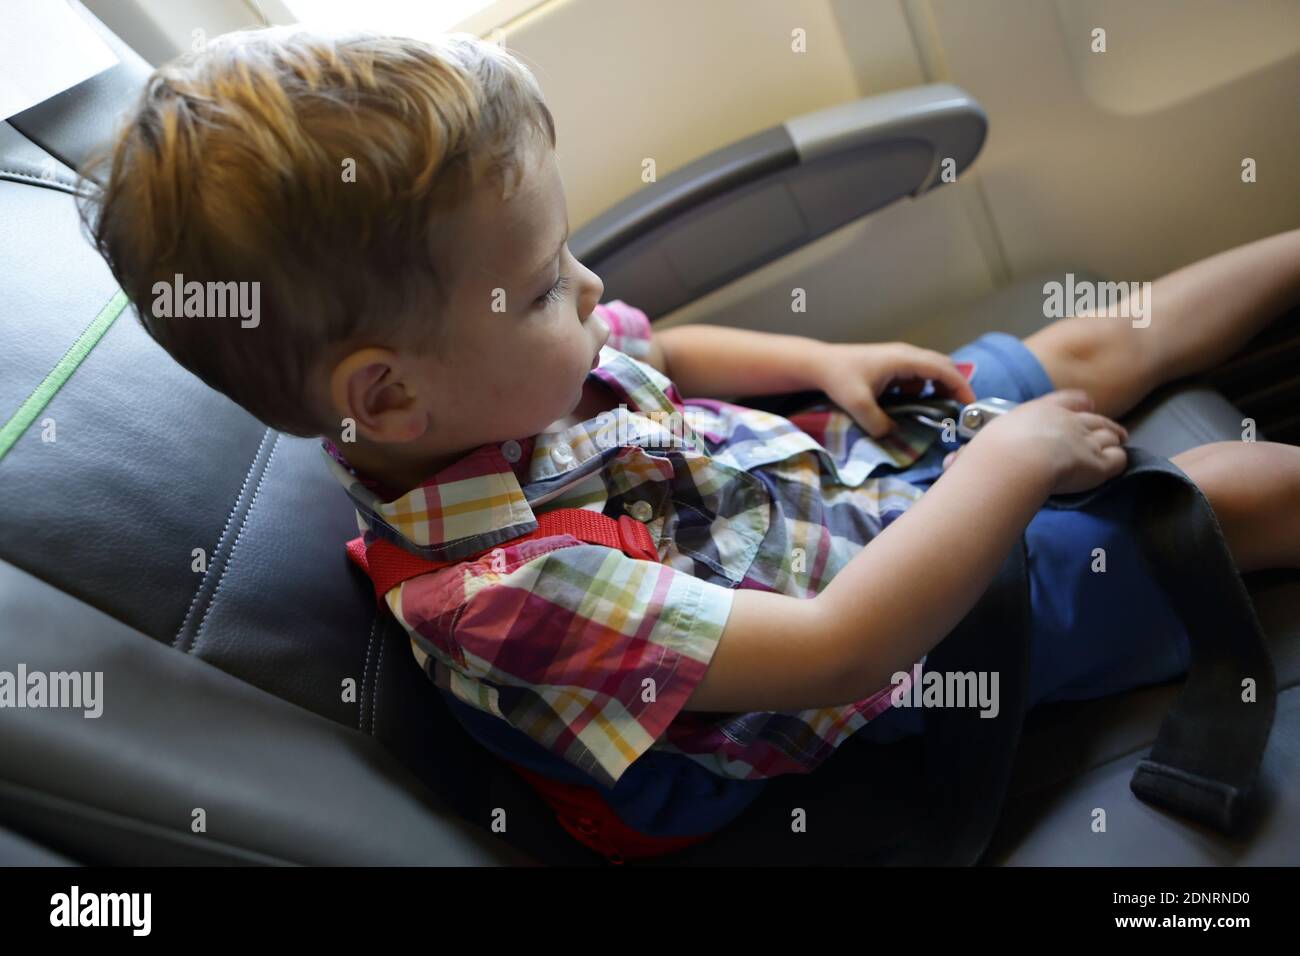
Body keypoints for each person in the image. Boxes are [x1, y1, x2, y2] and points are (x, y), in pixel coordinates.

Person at [78, 25, 1300, 857]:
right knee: (1214, 496)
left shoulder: (486, 389)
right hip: (901, 624)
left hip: (811, 481)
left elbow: (661, 355)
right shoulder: (514, 597)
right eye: (546, 279)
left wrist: (822, 363)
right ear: (389, 395)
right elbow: (837, 647)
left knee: (1089, 344)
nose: (587, 280)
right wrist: (1004, 466)